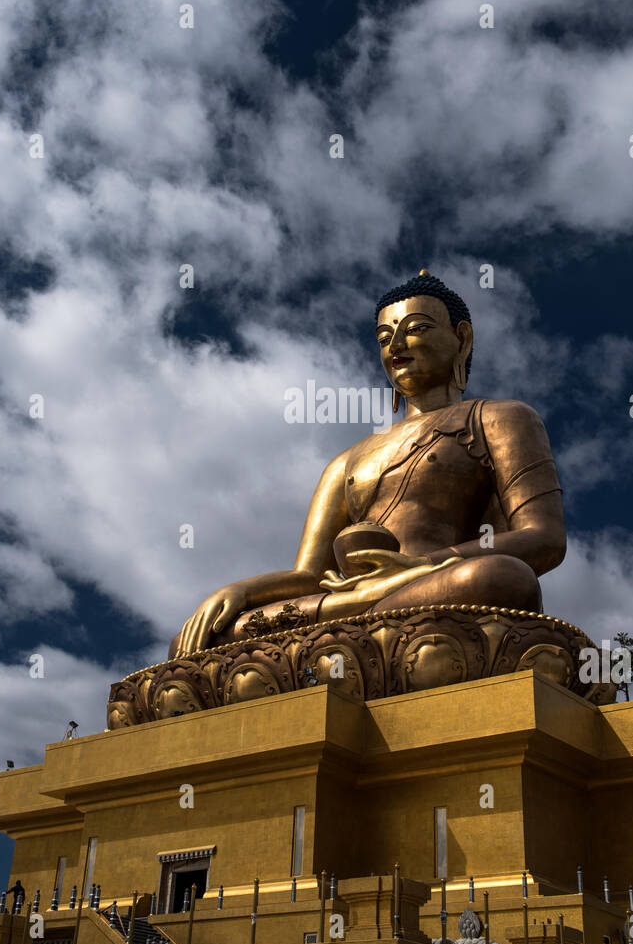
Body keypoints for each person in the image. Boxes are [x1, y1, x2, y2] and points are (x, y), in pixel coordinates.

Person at [170, 272, 565, 658]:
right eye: (383, 337)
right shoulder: (348, 460)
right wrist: (243, 592)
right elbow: (309, 577)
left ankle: (343, 643)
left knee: (502, 578)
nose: (396, 344)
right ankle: (357, 635)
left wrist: (417, 566)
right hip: (350, 602)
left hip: (434, 586)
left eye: (416, 328)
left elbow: (544, 538)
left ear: (461, 338)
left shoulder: (501, 418)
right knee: (205, 637)